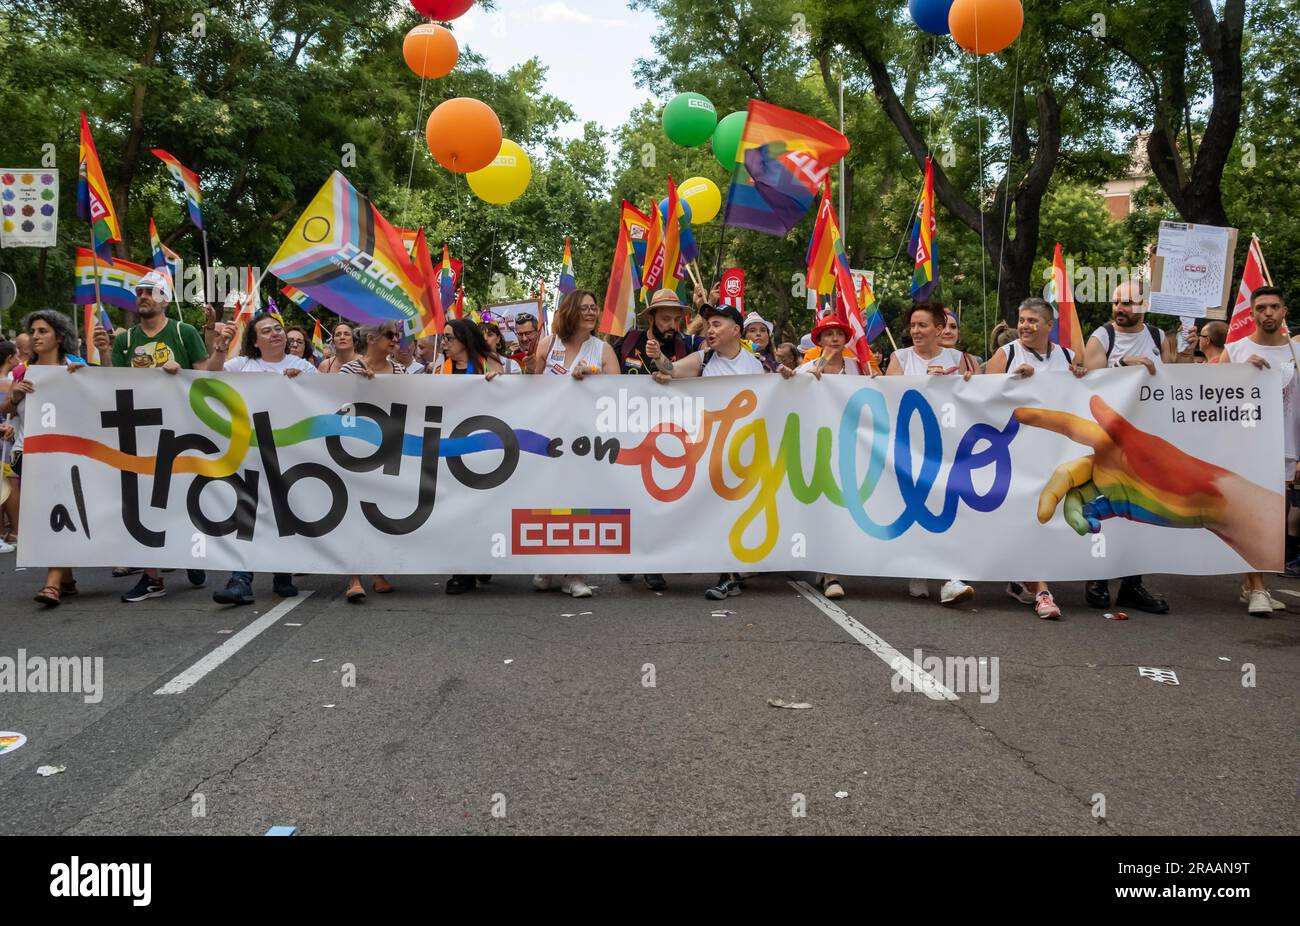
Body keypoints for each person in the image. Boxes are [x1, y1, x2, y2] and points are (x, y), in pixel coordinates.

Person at [653, 300, 794, 600]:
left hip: (747, 452)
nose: (710, 330)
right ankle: (723, 572)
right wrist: (659, 361)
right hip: (709, 450)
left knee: (735, 512)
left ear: (735, 330)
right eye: (707, 325)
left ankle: (729, 574)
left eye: (716, 324)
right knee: (715, 511)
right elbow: (672, 369)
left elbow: (788, 384)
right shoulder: (703, 359)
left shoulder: (759, 361)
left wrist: (799, 379)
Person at [106, 271, 224, 602]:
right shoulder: (125, 340)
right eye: (139, 292)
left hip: (181, 430)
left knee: (182, 498)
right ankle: (152, 576)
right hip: (140, 432)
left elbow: (205, 377)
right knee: (145, 501)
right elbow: (110, 383)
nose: (143, 296)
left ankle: (188, 553)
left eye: (150, 292)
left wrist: (180, 373)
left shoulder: (183, 332)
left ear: (164, 299)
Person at [984, 297, 1087, 618]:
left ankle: (1022, 580)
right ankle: (1041, 590)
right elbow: (981, 401)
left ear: (1048, 325)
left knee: (1042, 516)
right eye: (1022, 319)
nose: (1025, 326)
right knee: (1025, 513)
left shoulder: (1068, 357)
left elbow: (1086, 396)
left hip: (1054, 452)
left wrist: (1083, 376)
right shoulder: (1007, 354)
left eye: (1032, 321)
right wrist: (1010, 381)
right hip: (1013, 451)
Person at [209, 311, 318, 605]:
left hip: (288, 451)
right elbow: (210, 377)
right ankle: (240, 580)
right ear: (255, 342)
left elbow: (319, 400)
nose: (276, 333)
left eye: (278, 328)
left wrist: (301, 384)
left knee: (285, 513)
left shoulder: (302, 367)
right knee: (247, 512)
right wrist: (221, 345)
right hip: (250, 452)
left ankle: (282, 573)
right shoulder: (243, 365)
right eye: (267, 330)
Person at [1079, 281, 1172, 613]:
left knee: (1140, 512)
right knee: (1108, 509)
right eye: (1117, 302)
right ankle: (1098, 579)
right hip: (1110, 444)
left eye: (1129, 303)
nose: (1120, 308)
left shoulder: (1160, 338)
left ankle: (1133, 584)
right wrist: (1122, 367)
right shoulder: (1103, 337)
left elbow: (1174, 381)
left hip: (1148, 441)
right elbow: (1090, 380)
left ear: (1144, 306)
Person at [610, 288, 702, 591]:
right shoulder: (628, 342)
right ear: (651, 317)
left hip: (668, 435)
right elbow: (610, 380)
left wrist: (665, 369)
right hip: (629, 430)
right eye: (665, 318)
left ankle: (653, 563)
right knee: (629, 499)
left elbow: (692, 378)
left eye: (676, 318)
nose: (671, 324)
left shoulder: (685, 346)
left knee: (659, 499)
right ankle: (628, 558)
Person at [531, 290, 620, 598]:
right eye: (584, 308)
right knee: (549, 501)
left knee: (581, 505)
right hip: (550, 437)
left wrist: (594, 377)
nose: (591, 312)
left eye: (594, 307)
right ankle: (548, 564)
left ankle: (575, 574)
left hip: (587, 441)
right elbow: (529, 389)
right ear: (569, 311)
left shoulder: (603, 350)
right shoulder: (548, 344)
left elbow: (619, 392)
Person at [887, 303, 976, 606]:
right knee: (920, 506)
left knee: (951, 507)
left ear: (940, 329)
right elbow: (889, 398)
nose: (915, 331)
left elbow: (978, 398)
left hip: (951, 446)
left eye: (922, 325)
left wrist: (957, 382)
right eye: (912, 325)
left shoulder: (961, 359)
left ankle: (952, 577)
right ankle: (919, 569)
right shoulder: (899, 358)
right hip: (912, 447)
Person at [1, 311, 87, 605]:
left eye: (42, 331)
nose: (35, 336)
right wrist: (14, 396)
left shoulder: (77, 367)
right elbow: (7, 412)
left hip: (67, 455)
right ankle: (67, 578)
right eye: (33, 331)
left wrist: (82, 382)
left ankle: (52, 583)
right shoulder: (22, 372)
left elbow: (99, 401)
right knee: (47, 515)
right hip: (28, 454)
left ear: (59, 337)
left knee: (57, 515)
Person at [1225, 286, 1297, 616]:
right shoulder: (1235, 349)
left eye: (1274, 307)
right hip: (1247, 444)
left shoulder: (1296, 353)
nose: (1268, 313)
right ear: (1251, 313)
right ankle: (1256, 587)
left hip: (1285, 446)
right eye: (1261, 308)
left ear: (1284, 312)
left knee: (1276, 519)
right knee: (1255, 515)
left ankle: (1252, 585)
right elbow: (1210, 398)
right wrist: (1238, 375)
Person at [795, 314, 875, 599]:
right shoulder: (807, 367)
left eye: (839, 333)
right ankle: (829, 572)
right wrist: (813, 371)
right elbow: (789, 394)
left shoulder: (858, 367)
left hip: (852, 447)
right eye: (828, 334)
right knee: (823, 504)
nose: (834, 339)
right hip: (816, 446)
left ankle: (832, 566)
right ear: (818, 340)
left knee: (843, 506)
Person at [338, 321, 404, 601]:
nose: (395, 340)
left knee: (379, 509)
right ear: (372, 337)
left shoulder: (400, 370)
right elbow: (334, 404)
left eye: (397, 336)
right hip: (355, 447)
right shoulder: (350, 369)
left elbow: (409, 403)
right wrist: (358, 389)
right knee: (353, 509)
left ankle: (378, 571)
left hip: (387, 447)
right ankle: (353, 576)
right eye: (390, 335)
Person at [0, 340, 19, 553]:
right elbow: (12, 411)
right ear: (9, 359)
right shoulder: (9, 384)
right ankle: (15, 531)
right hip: (6, 438)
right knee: (11, 484)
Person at [939, 308, 980, 374]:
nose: (948, 331)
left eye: (953, 327)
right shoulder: (923, 359)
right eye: (943, 327)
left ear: (958, 333)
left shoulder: (970, 361)